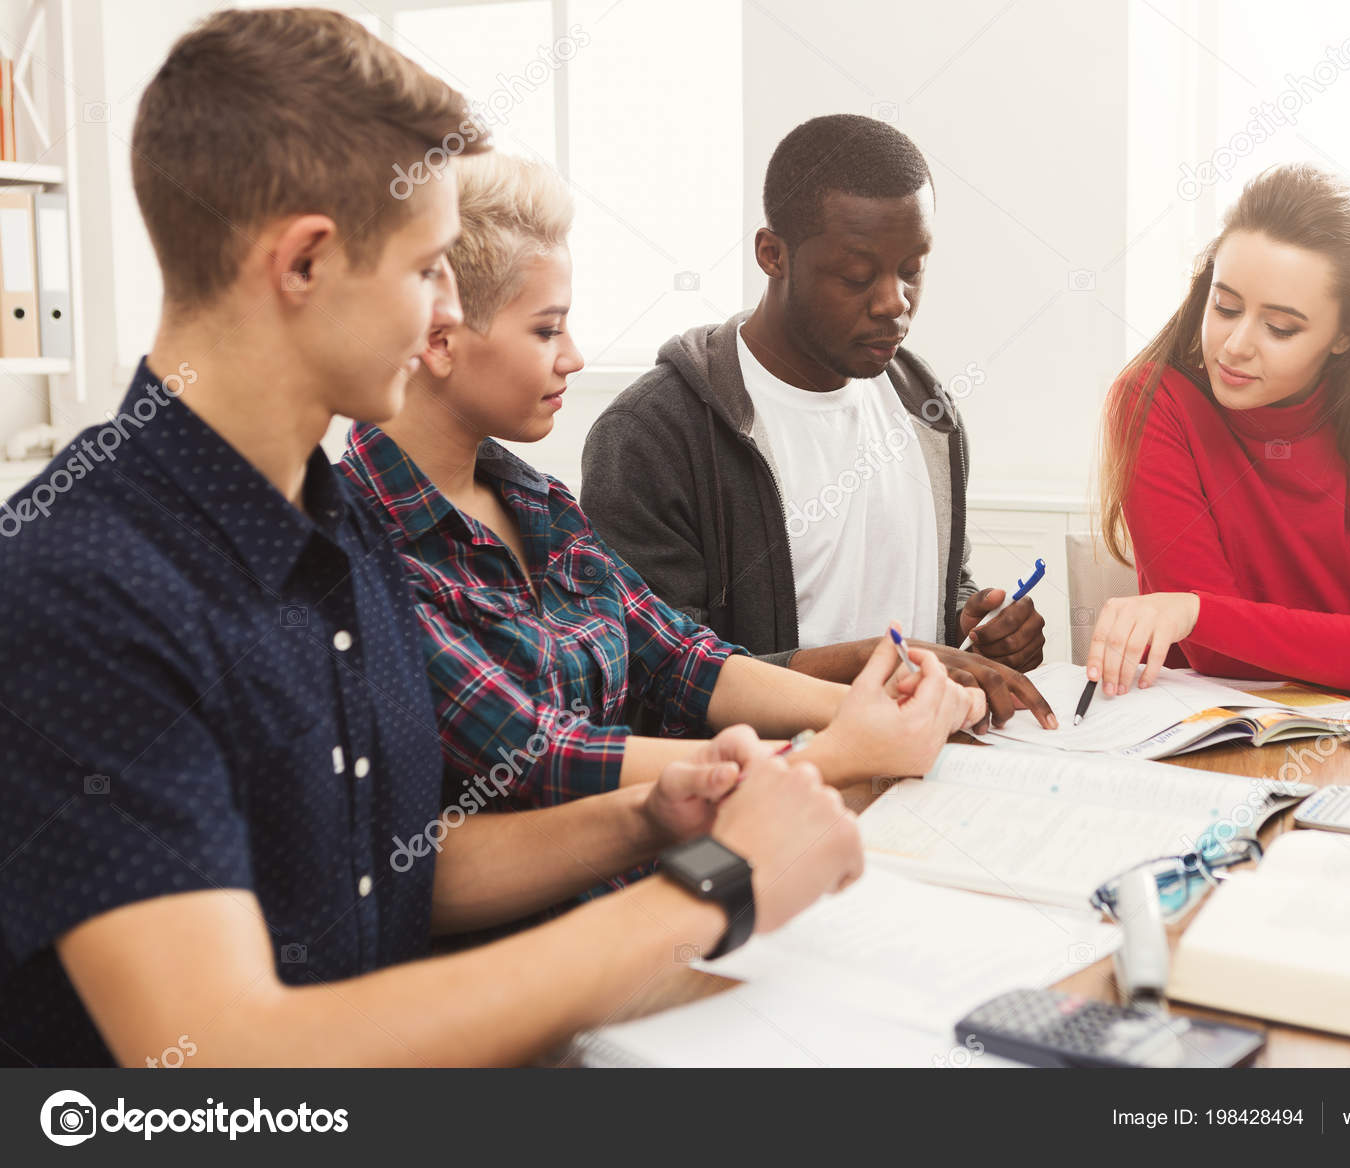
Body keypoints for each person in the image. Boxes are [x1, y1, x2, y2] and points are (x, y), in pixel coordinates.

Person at [0, 8, 863, 1068]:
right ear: (304, 263)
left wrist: (648, 816)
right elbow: (221, 1055)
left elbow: (392, 868)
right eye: (428, 268)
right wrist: (709, 894)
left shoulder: (346, 530)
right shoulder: (78, 586)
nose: (447, 310)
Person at [339, 149, 980, 837]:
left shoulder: (540, 505)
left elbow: (684, 661)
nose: (574, 357)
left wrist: (859, 705)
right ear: (439, 341)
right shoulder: (362, 546)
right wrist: (832, 754)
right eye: (547, 329)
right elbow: (544, 756)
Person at [581, 114, 1056, 730]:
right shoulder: (653, 435)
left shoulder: (925, 407)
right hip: (765, 797)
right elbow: (652, 682)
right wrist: (874, 666)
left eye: (912, 268)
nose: (894, 303)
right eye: (858, 277)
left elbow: (941, 594)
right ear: (772, 255)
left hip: (927, 778)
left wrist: (977, 626)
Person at [1088, 162, 1350, 701]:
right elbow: (1214, 654)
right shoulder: (1152, 400)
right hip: (1215, 727)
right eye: (1223, 306)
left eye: (1280, 328)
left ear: (1346, 334)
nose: (1236, 345)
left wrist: (1197, 611)